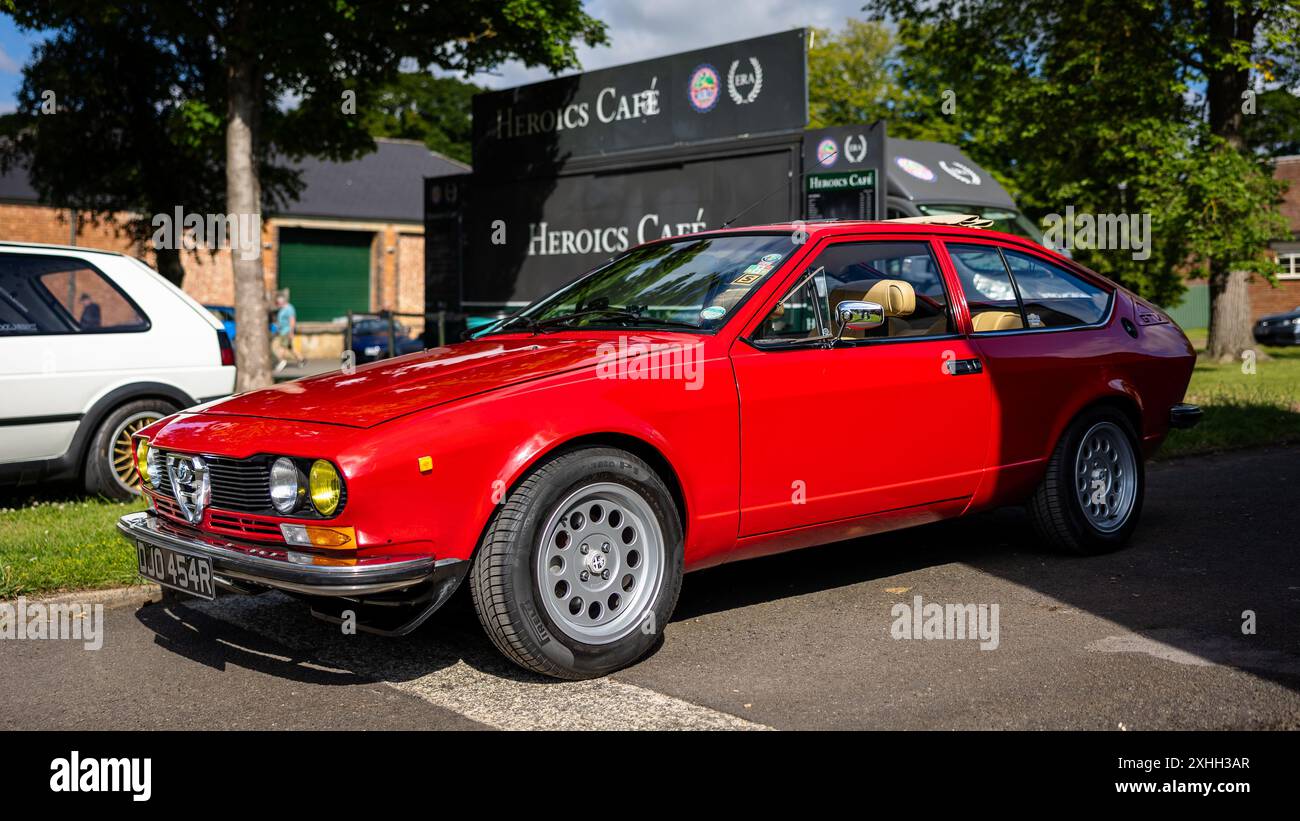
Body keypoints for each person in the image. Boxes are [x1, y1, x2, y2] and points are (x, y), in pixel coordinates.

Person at [272, 292, 305, 372]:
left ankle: (282, 361)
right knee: (290, 348)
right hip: (282, 331)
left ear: (282, 301)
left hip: (286, 331)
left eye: (278, 303)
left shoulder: (289, 308)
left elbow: (292, 321)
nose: (277, 304)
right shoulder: (282, 309)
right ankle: (301, 359)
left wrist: (291, 332)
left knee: (281, 347)